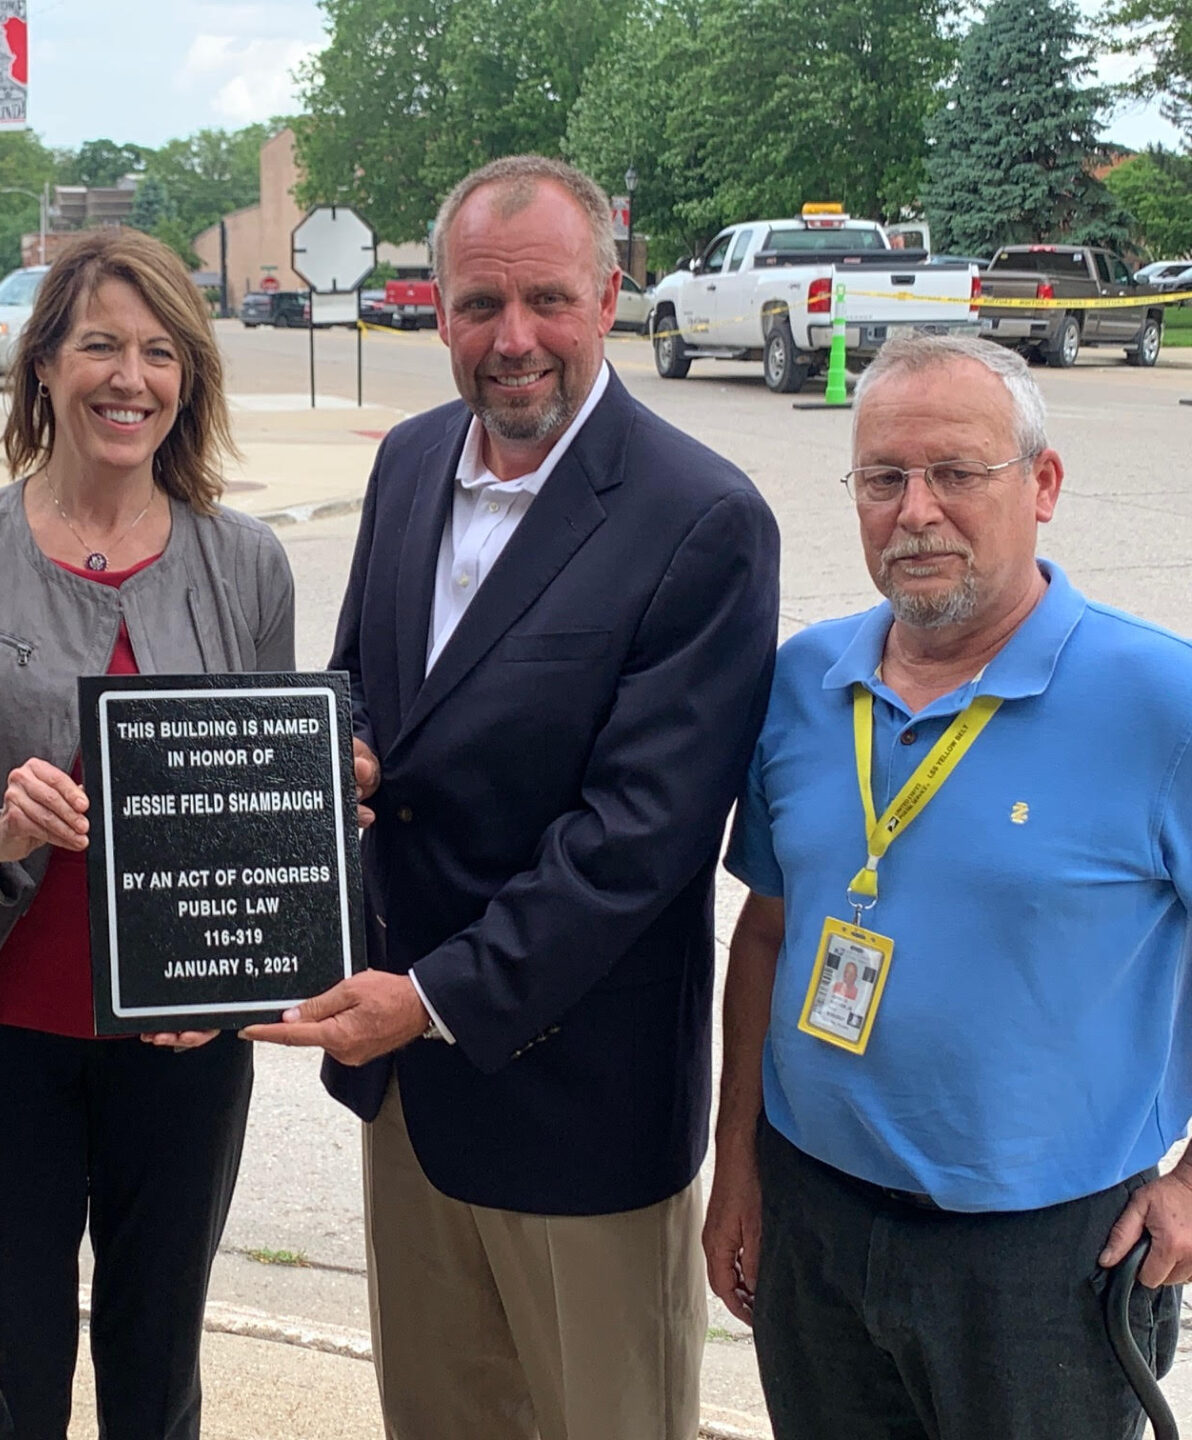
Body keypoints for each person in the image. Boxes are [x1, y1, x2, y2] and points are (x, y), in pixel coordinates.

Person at [244, 155, 780, 1439]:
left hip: (577, 1107)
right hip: (407, 1098)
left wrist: (431, 1000)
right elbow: (358, 682)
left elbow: (636, 842)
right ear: (439, 310)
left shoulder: (701, 518)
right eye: (481, 305)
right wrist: (347, 754)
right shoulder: (412, 460)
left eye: (548, 300)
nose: (514, 339)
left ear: (610, 298)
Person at [707, 333, 1190, 1440]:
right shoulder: (803, 682)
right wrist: (737, 1163)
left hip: (1047, 1260)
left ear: (1043, 485)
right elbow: (767, 934)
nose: (915, 511)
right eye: (883, 477)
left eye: (956, 473)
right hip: (815, 1219)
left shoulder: (1159, 703)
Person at [0, 228, 294, 1440]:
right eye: (102, 344)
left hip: (184, 1044)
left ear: (188, 379)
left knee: (157, 1374)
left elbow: (265, 824)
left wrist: (242, 981)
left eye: (161, 351)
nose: (131, 378)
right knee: (17, 1374)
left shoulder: (245, 564)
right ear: (44, 362)